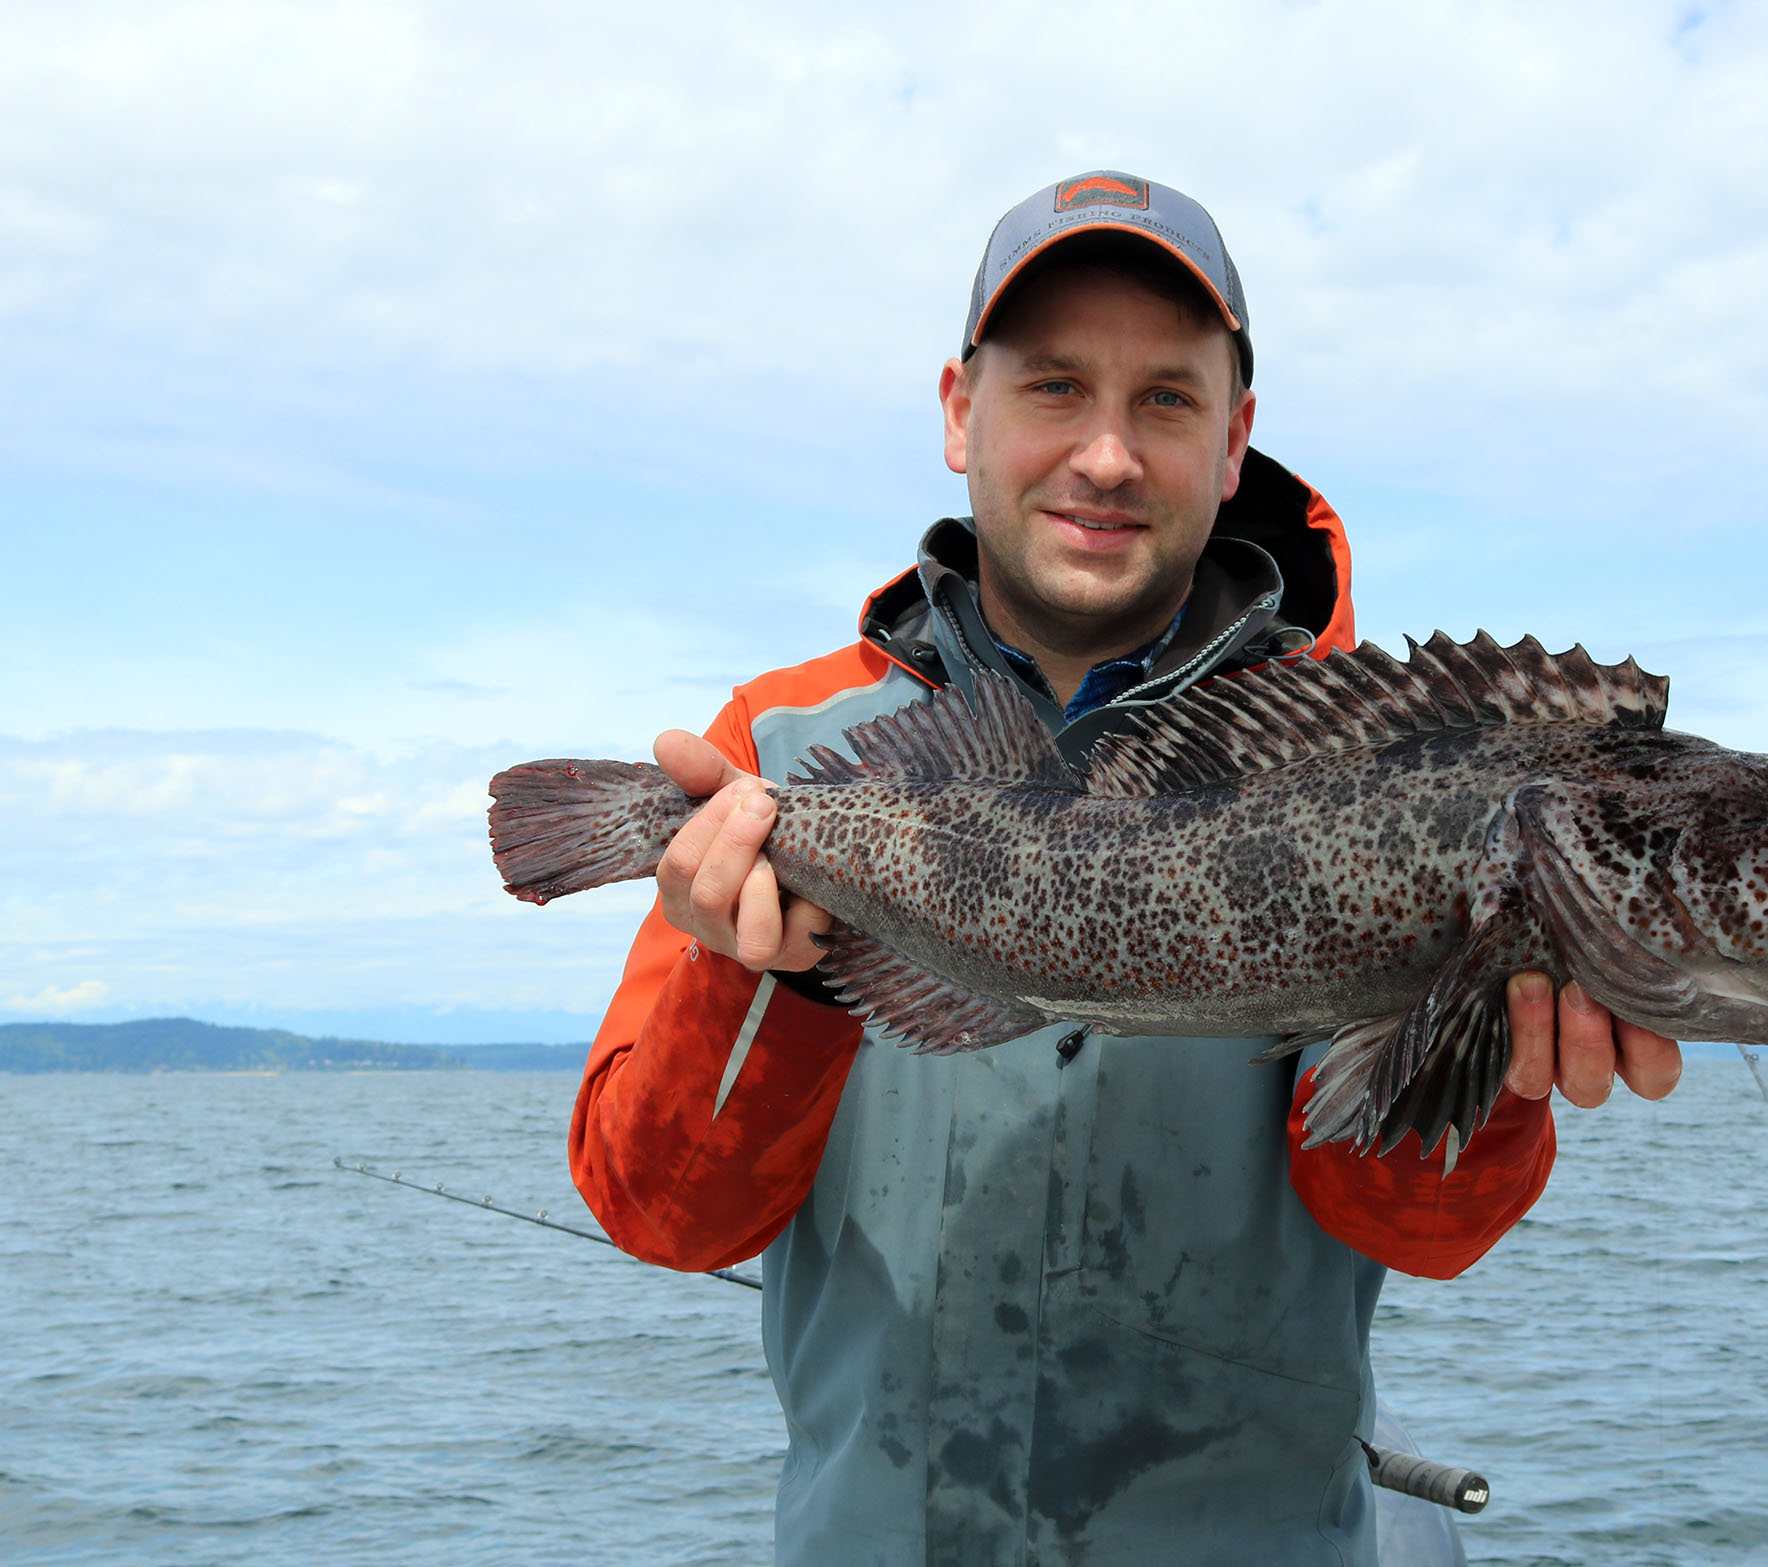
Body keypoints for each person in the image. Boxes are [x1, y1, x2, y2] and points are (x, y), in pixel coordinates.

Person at [569, 171, 1681, 1566]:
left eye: (1166, 398)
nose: (1106, 455)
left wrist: (1495, 1061)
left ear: (1235, 441)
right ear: (960, 411)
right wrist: (771, 975)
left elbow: (1423, 1230)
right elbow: (665, 1216)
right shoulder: (780, 752)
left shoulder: (1371, 772)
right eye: (1054, 387)